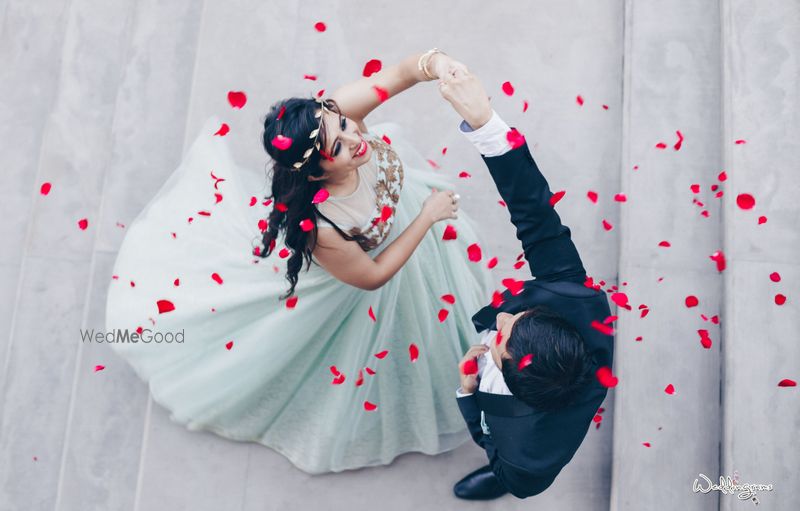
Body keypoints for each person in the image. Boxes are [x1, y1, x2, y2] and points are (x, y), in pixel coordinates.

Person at [104, 49, 497, 474]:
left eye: (345, 125)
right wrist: (426, 217)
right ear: (314, 174)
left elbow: (403, 72)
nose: (356, 140)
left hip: (406, 214)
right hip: (386, 253)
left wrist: (439, 67)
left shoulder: (337, 114)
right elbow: (371, 276)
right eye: (339, 148)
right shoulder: (322, 229)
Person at [436, 70, 615, 500]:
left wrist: (469, 393)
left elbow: (496, 444)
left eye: (501, 336)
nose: (500, 314)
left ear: (507, 373)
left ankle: (488, 480)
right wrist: (485, 124)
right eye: (519, 318)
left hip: (505, 452)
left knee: (497, 463)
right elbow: (535, 214)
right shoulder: (572, 297)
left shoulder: (529, 457)